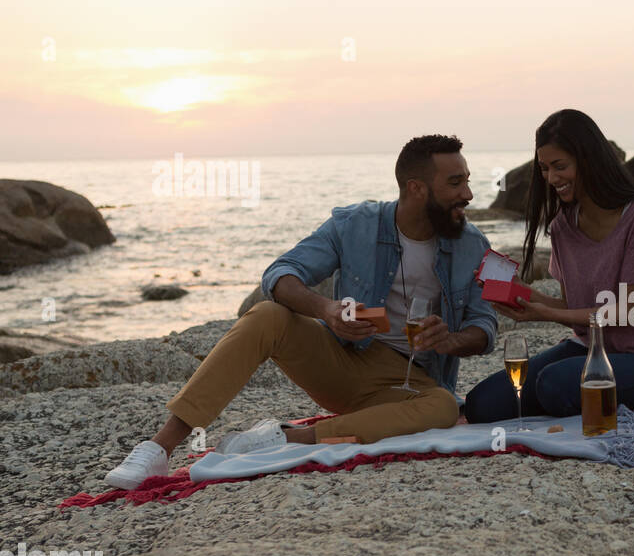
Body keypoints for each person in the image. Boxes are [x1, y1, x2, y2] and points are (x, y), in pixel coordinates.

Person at [105, 134, 498, 490]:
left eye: (466, 180)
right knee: (265, 316)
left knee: (445, 407)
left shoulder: (473, 245)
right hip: (347, 361)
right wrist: (326, 310)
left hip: (409, 386)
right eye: (455, 183)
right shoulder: (355, 225)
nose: (468, 194)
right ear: (416, 188)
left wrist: (452, 340)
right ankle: (159, 448)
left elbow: (485, 325)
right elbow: (279, 274)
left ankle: (286, 437)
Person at [464, 109, 634, 423]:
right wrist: (519, 293)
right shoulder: (563, 226)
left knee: (555, 383)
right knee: (483, 404)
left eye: (560, 166)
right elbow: (574, 306)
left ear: (588, 159)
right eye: (545, 169)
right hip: (590, 349)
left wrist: (546, 315)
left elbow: (632, 309)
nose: (551, 178)